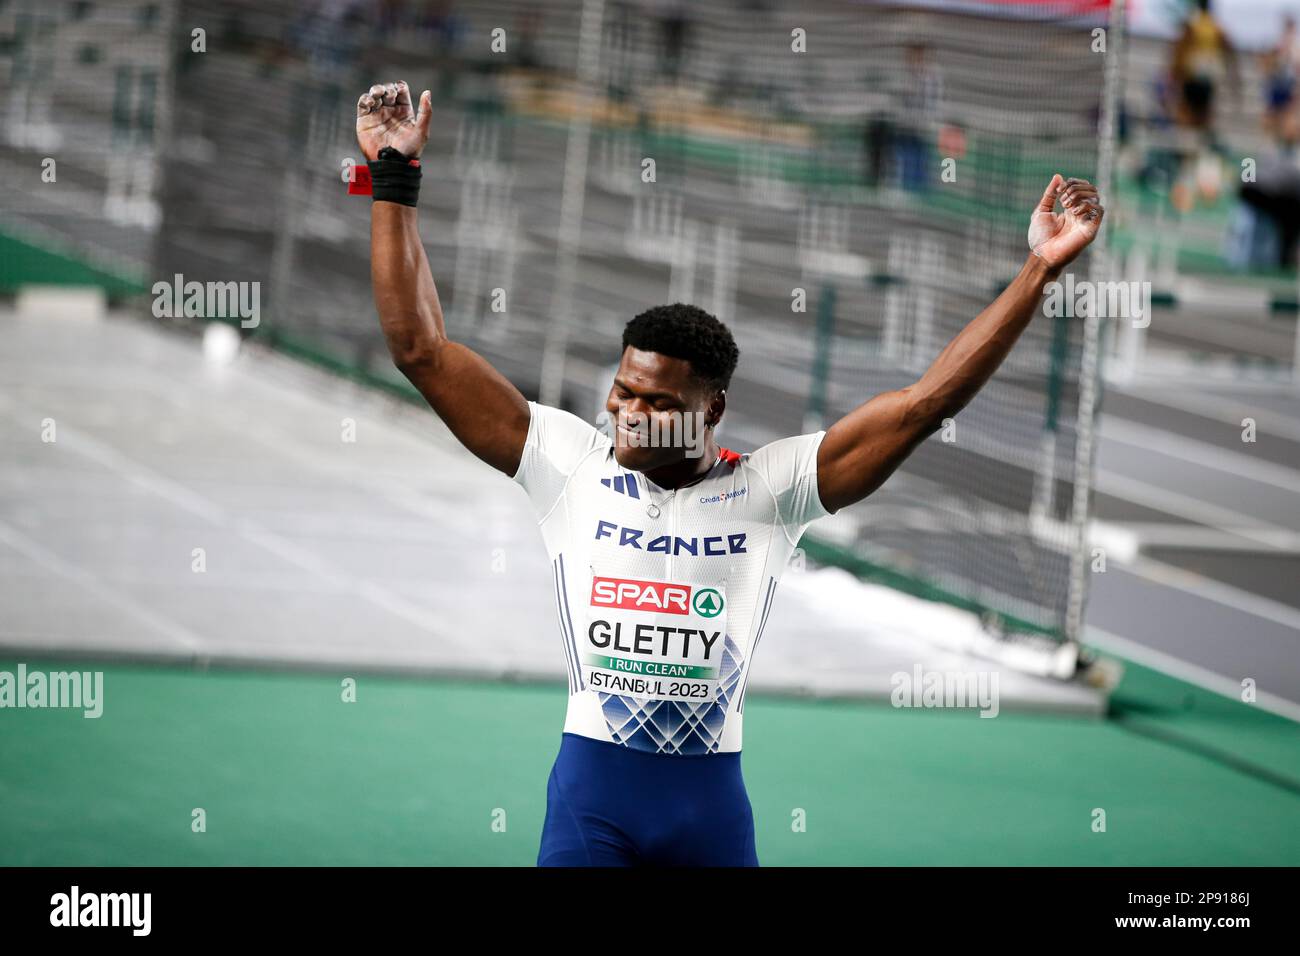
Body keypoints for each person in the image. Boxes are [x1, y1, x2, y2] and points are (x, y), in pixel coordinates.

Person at [355, 81, 1103, 866]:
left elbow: (921, 406)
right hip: (591, 807)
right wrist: (394, 178)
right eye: (620, 390)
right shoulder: (566, 464)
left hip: (709, 817)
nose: (626, 413)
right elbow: (422, 351)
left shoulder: (773, 491)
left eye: (655, 401)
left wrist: (1037, 272)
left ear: (712, 410)